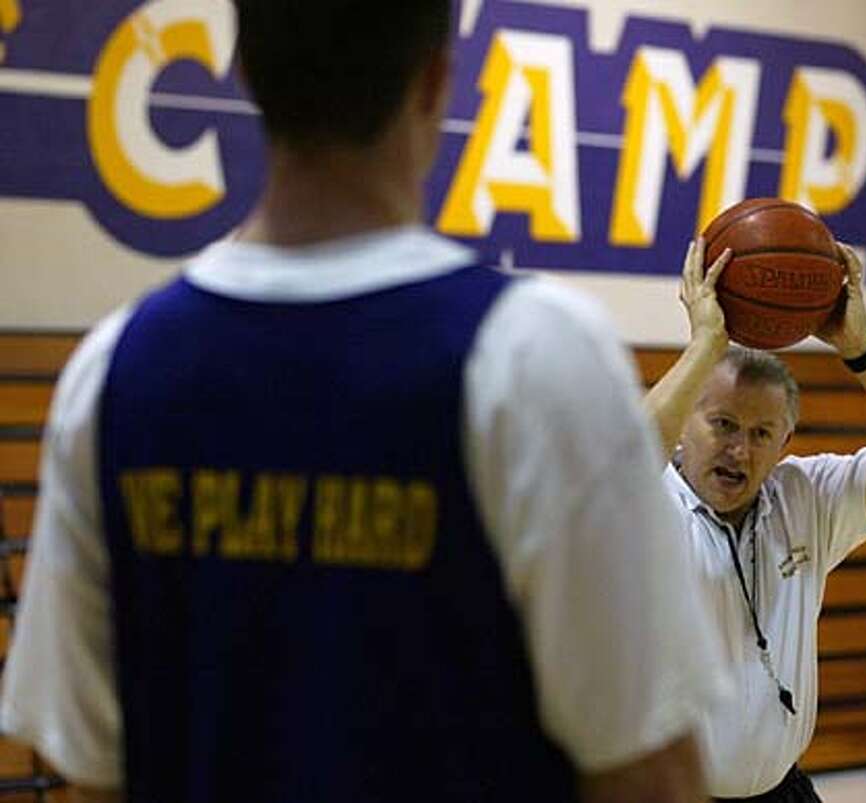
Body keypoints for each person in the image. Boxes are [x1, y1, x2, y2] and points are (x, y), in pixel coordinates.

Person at [0, 4, 733, 802]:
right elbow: (651, 778)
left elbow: (92, 779)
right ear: (435, 81)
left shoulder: (109, 373)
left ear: (243, 70)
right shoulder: (536, 354)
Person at [644, 237, 866, 802]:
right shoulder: (643, 502)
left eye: (760, 433)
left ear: (785, 442)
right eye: (722, 424)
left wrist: (861, 349)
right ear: (687, 421)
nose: (739, 449)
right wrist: (707, 343)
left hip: (782, 791)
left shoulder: (804, 495)